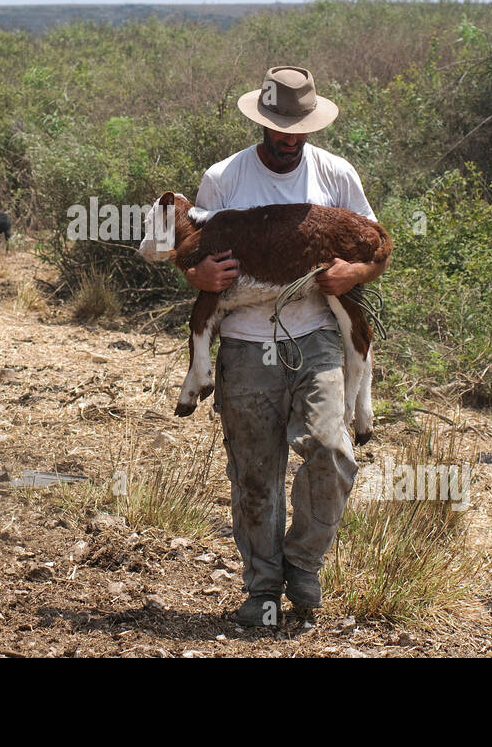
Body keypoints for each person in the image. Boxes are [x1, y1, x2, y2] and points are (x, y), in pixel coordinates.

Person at [185, 65, 388, 627]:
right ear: (261, 124)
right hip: (248, 345)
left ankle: (303, 564)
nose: (288, 140)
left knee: (331, 451)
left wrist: (354, 275)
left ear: (309, 126)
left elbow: (372, 250)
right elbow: (198, 257)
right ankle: (263, 590)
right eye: (278, 130)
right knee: (255, 471)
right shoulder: (224, 178)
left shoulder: (336, 174)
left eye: (297, 130)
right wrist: (199, 276)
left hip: (317, 337)